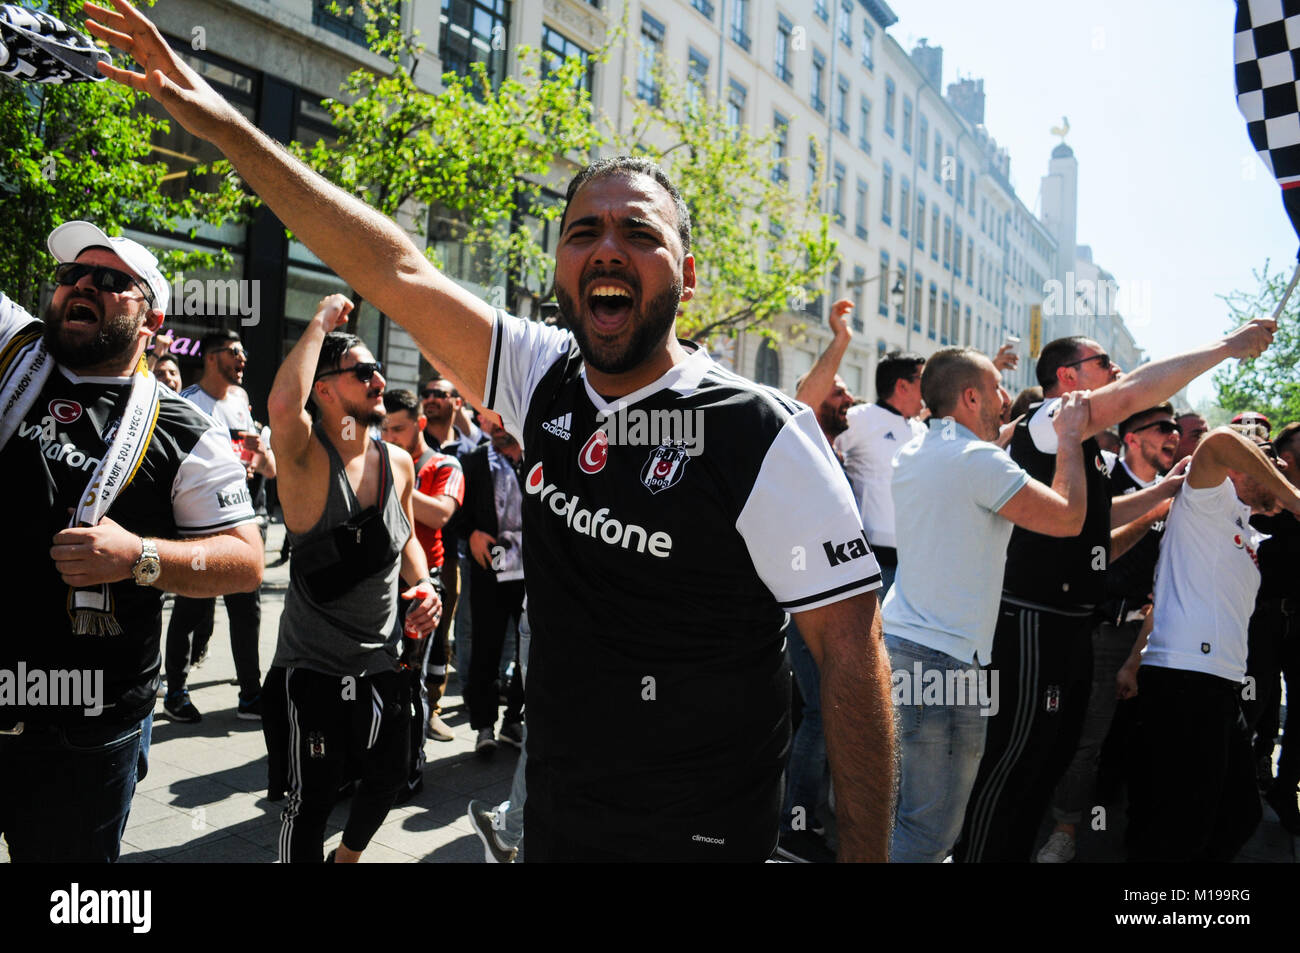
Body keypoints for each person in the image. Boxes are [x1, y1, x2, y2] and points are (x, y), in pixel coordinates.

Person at [91, 6, 895, 860]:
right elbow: (392, 266)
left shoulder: (762, 434)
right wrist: (218, 121)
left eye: (640, 233)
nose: (607, 248)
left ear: (687, 279)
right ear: (561, 267)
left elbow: (851, 654)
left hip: (698, 833)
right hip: (552, 819)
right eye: (584, 232)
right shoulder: (542, 372)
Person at [957, 325, 1276, 863]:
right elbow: (1134, 394)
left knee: (1049, 763)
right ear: (1067, 378)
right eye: (1104, 362)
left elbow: (1096, 524)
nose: (1117, 372)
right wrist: (1225, 348)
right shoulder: (1049, 419)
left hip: (1069, 623)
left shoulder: (1082, 448)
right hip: (1035, 618)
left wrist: (1167, 490)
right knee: (1015, 765)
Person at [0, 220, 263, 862]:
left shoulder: (187, 429)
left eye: (112, 281)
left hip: (84, 731)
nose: (83, 283)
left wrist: (138, 557)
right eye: (73, 276)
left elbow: (246, 561)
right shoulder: (15, 350)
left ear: (151, 319)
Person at [884, 348, 1090, 862]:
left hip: (902, 647)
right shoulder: (978, 461)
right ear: (970, 396)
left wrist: (999, 434)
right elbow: (1067, 519)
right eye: (997, 388)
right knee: (931, 834)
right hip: (947, 664)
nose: (1005, 398)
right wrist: (1069, 439)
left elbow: (969, 461)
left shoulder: (920, 450)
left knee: (903, 815)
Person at [263, 295, 441, 863]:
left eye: (378, 369)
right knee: (309, 802)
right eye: (363, 372)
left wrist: (426, 587)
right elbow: (283, 405)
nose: (378, 378)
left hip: (382, 664)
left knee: (390, 778)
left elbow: (406, 535)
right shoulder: (306, 459)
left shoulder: (400, 463)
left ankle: (348, 858)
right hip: (312, 671)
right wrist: (319, 322)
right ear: (327, 390)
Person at [1119, 427, 1300, 860]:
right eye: (1268, 463)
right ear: (1240, 470)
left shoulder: (1250, 533)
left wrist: (1132, 661)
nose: (1277, 472)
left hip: (1215, 686)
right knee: (1182, 825)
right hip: (1186, 682)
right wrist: (1293, 497)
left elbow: (1168, 594)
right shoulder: (1209, 497)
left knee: (1238, 815)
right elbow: (1218, 440)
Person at [1035, 403, 1184, 863]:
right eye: (1163, 428)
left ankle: (1125, 833)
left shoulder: (1184, 495)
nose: (1174, 436)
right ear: (1132, 438)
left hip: (1155, 639)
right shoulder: (1103, 483)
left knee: (1137, 746)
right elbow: (1089, 552)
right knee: (1081, 738)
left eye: (1178, 429)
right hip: (1097, 631)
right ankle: (1064, 830)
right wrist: (1155, 505)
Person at [162, 329, 276, 722]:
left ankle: (250, 695)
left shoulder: (242, 400)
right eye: (234, 352)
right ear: (212, 358)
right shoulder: (187, 404)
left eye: (243, 351)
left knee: (248, 612)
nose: (243, 358)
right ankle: (175, 691)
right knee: (191, 611)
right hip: (201, 528)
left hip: (242, 523)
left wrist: (255, 457)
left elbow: (260, 462)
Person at [381, 388, 463, 757]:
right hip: (381, 580)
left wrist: (393, 480)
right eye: (383, 429)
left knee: (414, 667)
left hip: (423, 580)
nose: (388, 437)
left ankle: (413, 749)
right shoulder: (378, 461)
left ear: (420, 425)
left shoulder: (445, 465)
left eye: (397, 429)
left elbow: (440, 514)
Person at [1243, 420, 1300, 832]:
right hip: (1259, 617)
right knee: (1251, 702)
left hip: (1298, 620)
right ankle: (1240, 783)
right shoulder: (1260, 499)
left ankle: (1286, 787)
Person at [832, 348, 926, 595]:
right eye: (922, 380)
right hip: (871, 561)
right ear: (902, 386)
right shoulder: (861, 418)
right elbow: (819, 443)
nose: (928, 388)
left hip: (913, 564)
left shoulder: (920, 431)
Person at [459, 416, 526, 755]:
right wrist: (469, 533)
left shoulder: (542, 455)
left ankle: (514, 719)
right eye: (491, 419)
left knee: (531, 649)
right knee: (487, 645)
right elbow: (455, 512)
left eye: (504, 418)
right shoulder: (472, 460)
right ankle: (484, 725)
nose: (496, 425)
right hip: (492, 562)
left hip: (533, 568)